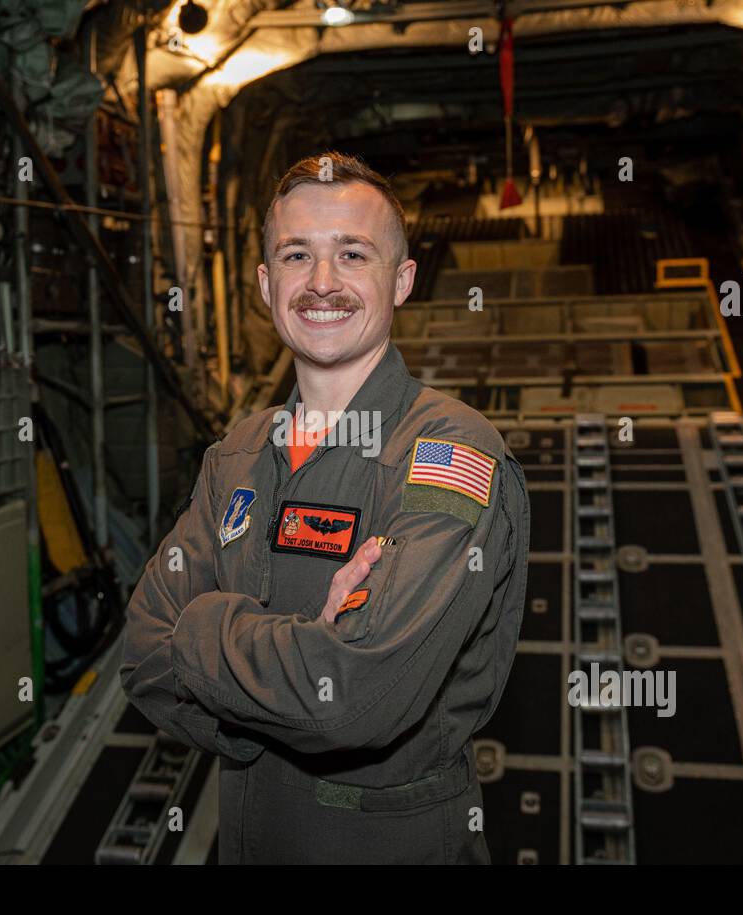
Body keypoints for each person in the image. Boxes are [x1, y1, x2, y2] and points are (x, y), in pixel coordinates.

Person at [119, 150, 530, 863]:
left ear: (401, 281)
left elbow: (354, 698)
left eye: (353, 255)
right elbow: (140, 656)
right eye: (296, 255)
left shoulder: (448, 454)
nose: (321, 283)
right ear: (265, 282)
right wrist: (297, 662)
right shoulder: (237, 454)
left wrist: (205, 623)